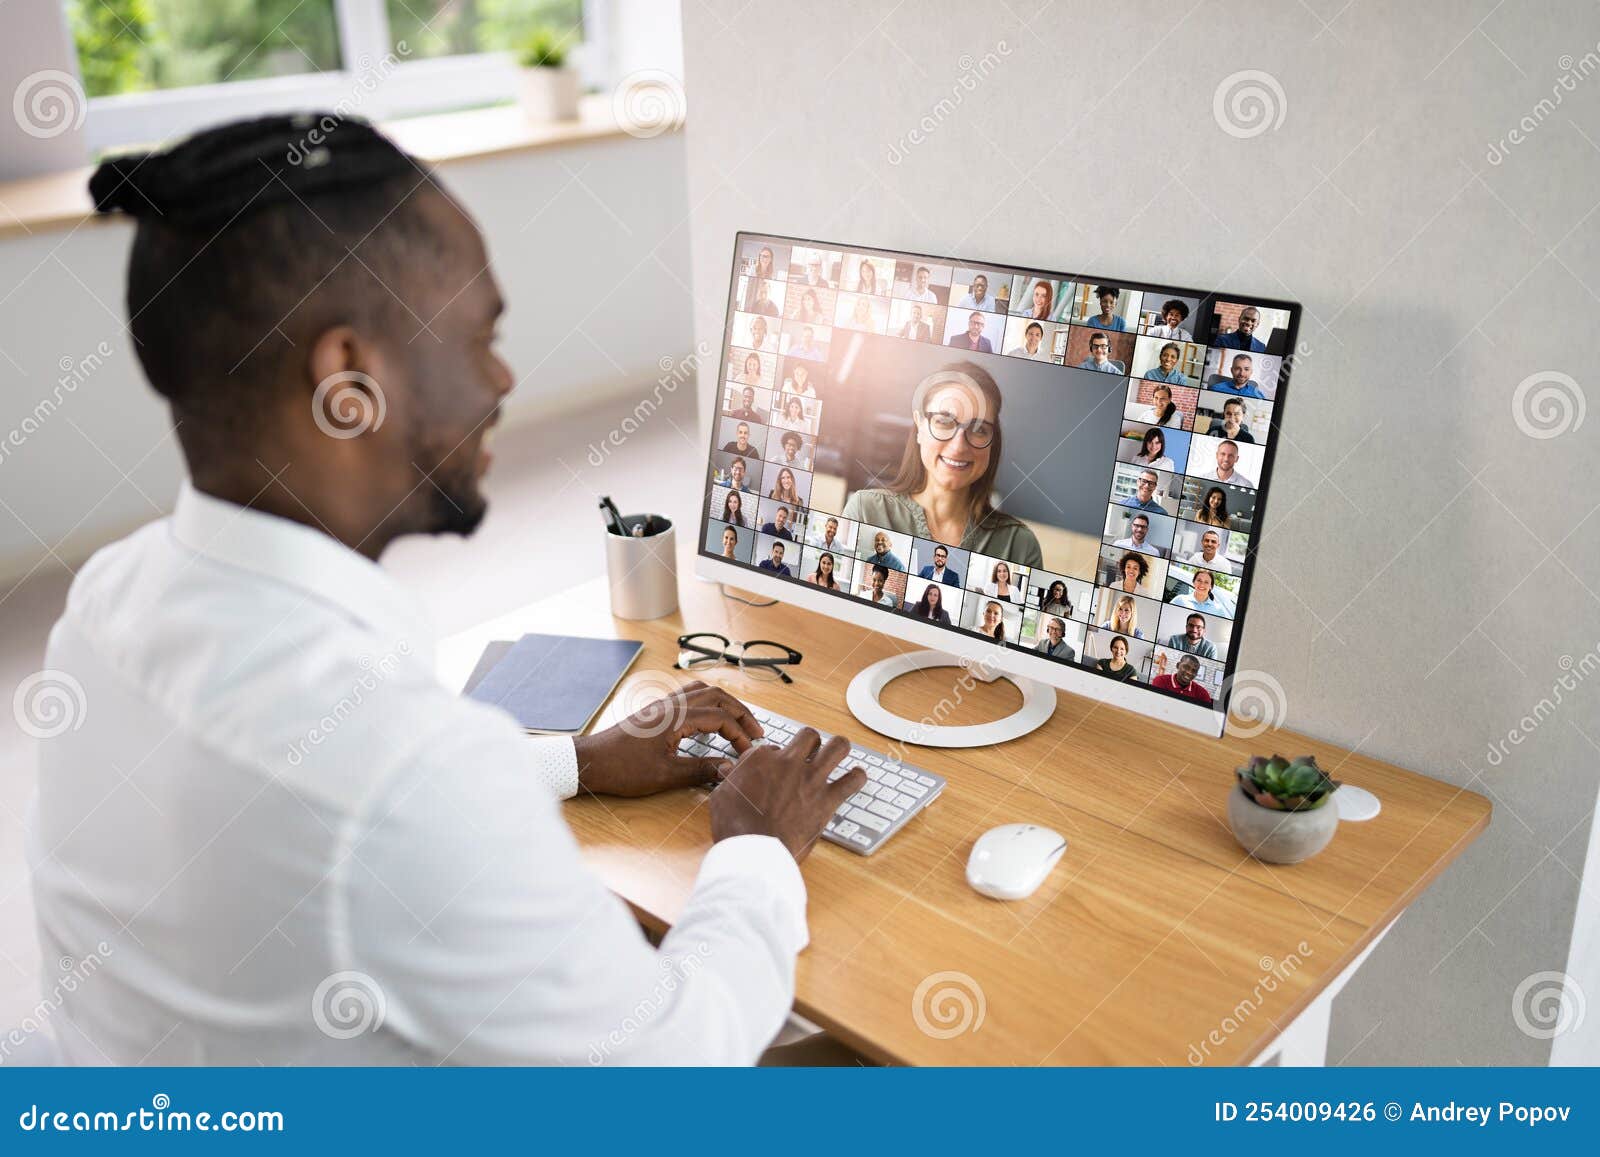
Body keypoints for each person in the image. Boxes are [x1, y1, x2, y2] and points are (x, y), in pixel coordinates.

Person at [48, 114, 869, 1067]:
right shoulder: (395, 767)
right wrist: (759, 845)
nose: (502, 378)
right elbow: (676, 1063)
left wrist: (576, 762)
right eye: (479, 335)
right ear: (348, 378)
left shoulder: (106, 604)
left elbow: (340, 829)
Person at [841, 363, 1042, 566]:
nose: (958, 447)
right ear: (920, 426)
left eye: (979, 429)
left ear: (993, 441)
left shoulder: (1019, 546)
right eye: (944, 422)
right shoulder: (865, 512)